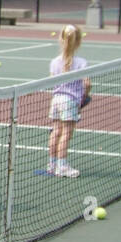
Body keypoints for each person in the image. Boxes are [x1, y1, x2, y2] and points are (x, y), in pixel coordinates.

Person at [46, 25, 91, 177]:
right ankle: (62, 166)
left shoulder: (54, 62)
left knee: (55, 132)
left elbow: (52, 82)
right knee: (66, 134)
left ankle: (52, 165)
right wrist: (84, 97)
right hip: (70, 102)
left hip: (56, 100)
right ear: (78, 42)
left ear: (61, 39)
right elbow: (87, 83)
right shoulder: (81, 62)